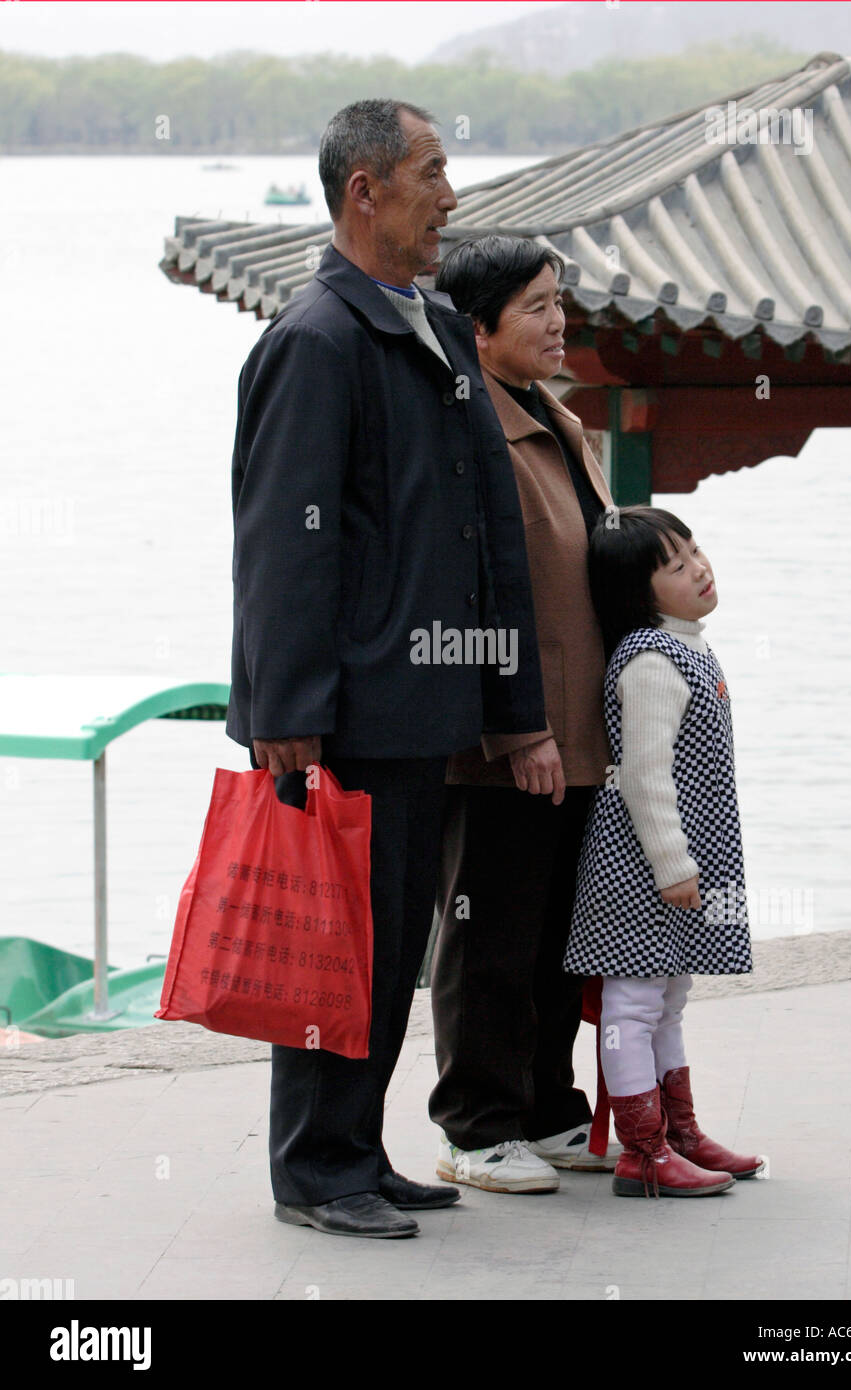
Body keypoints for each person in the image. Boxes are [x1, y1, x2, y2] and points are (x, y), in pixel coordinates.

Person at [226, 101, 547, 1239]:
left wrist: (512, 704)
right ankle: (315, 1168)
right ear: (365, 190)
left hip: (423, 704)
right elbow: (282, 546)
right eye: (431, 171)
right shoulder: (314, 338)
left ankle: (352, 1150)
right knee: (332, 943)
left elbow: (485, 531)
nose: (451, 196)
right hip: (347, 709)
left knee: (391, 943)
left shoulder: (430, 328)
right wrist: (286, 711)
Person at [427, 235, 619, 1193]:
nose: (558, 322)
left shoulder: (557, 419)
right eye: (538, 307)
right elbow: (471, 594)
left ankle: (548, 1111)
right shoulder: (467, 431)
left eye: (559, 302)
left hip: (580, 727)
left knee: (556, 931)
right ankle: (474, 1126)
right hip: (509, 736)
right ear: (479, 327)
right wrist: (516, 727)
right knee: (489, 932)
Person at [563, 505, 764, 1197]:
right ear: (638, 592)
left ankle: (679, 1134)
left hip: (671, 867)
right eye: (676, 566)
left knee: (669, 998)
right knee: (634, 1002)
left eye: (696, 551)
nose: (699, 568)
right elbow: (645, 774)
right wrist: (675, 864)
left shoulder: (689, 646)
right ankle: (641, 1151)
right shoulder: (651, 661)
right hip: (642, 868)